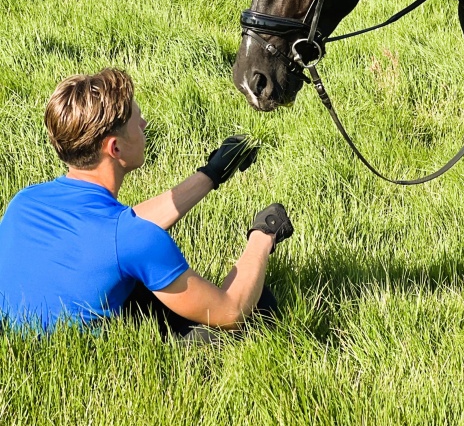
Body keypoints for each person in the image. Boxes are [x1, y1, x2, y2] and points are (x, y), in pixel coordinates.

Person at [0, 67, 294, 338]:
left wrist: (211, 174)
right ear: (115, 148)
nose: (144, 124)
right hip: (90, 367)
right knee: (258, 308)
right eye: (135, 122)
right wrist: (263, 234)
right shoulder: (131, 239)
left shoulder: (24, 202)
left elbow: (116, 233)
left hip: (24, 342)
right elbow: (231, 311)